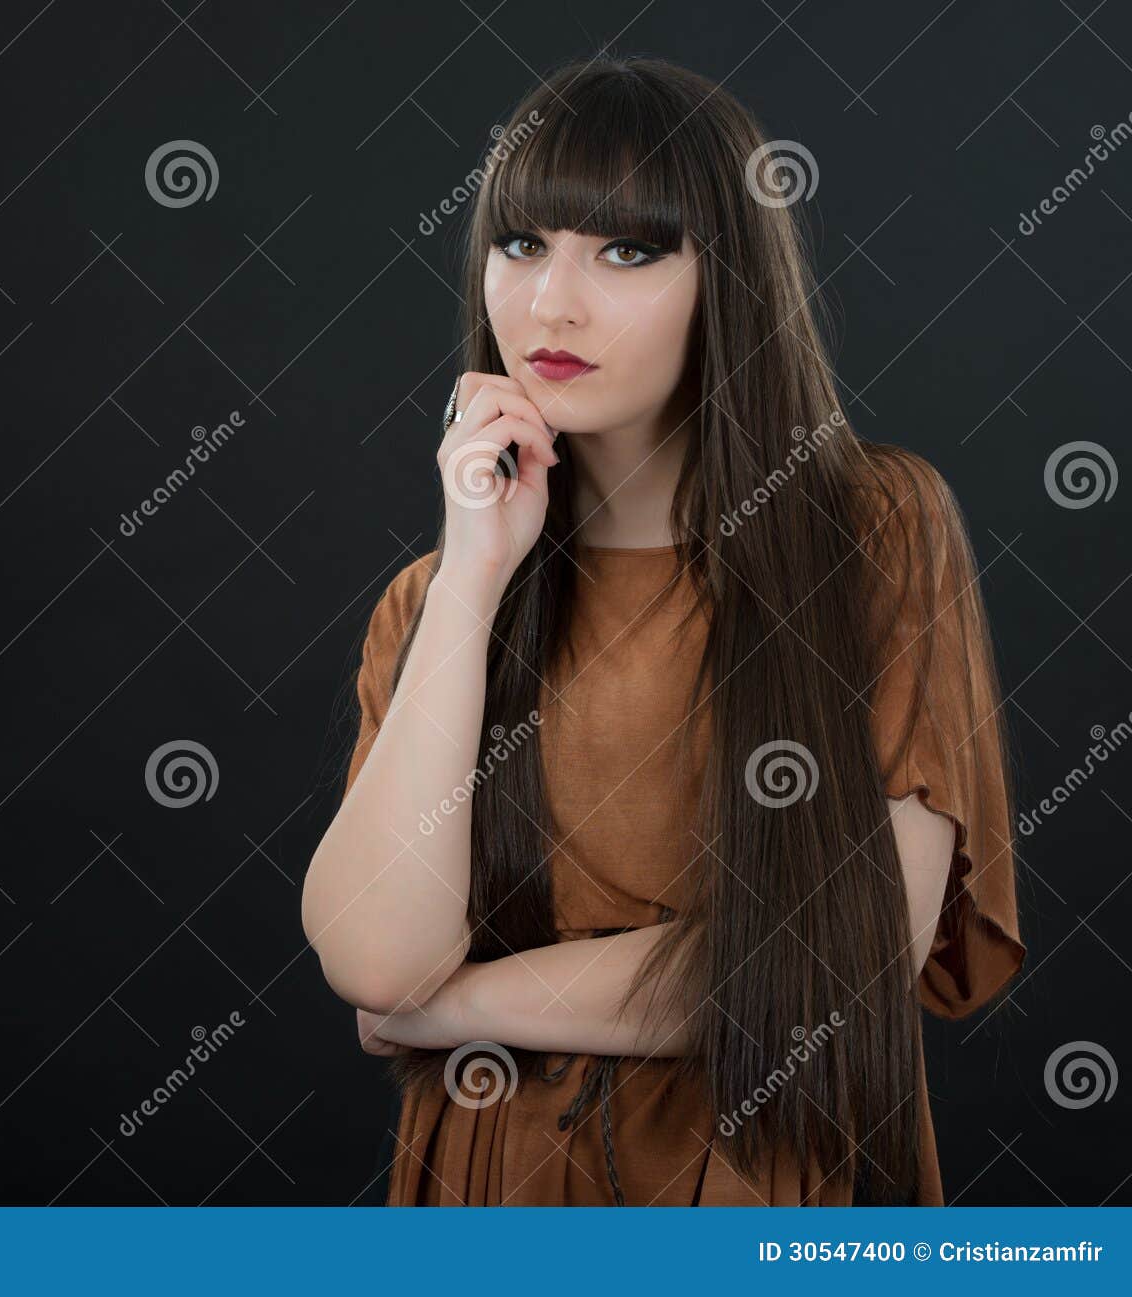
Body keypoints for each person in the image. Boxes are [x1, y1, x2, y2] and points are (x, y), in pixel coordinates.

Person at [301, 55, 1025, 1207]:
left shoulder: (873, 530)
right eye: (521, 244)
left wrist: (453, 1005)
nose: (553, 304)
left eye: (627, 252)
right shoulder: (433, 600)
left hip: (755, 1191)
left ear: (724, 280)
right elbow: (377, 957)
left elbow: (840, 961)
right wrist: (473, 574)